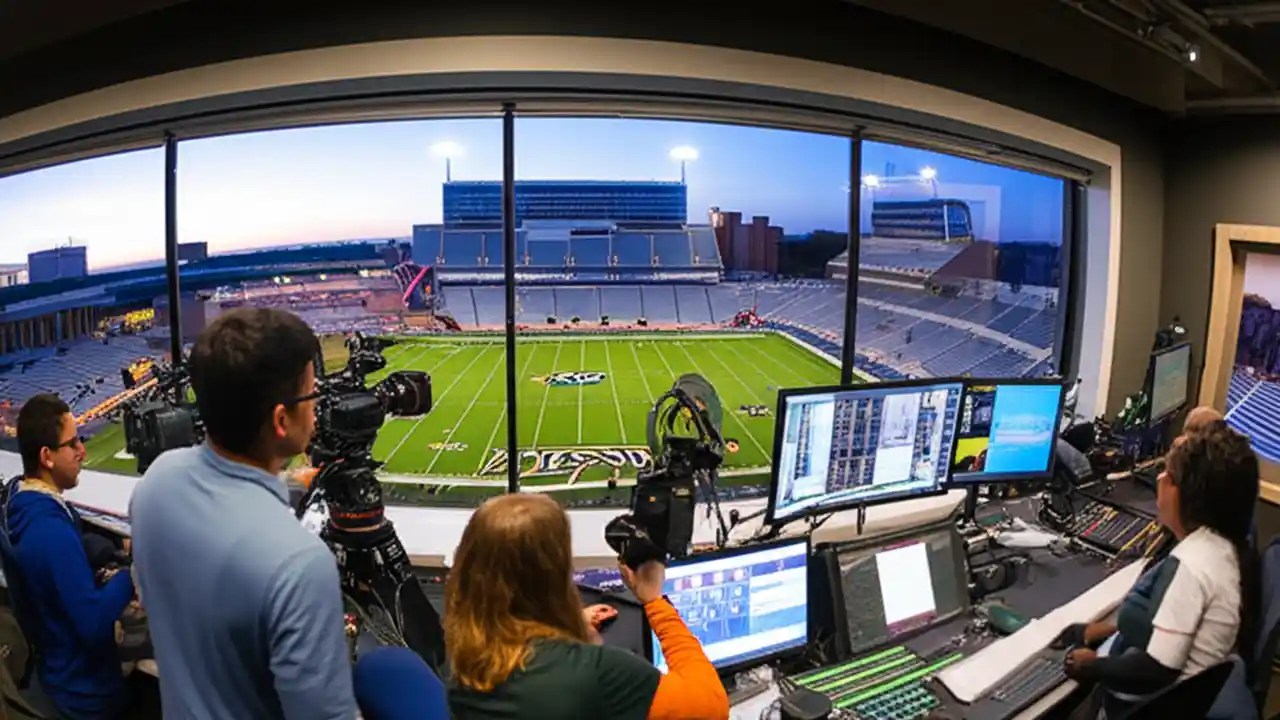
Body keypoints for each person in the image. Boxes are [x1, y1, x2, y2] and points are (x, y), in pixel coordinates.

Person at [129, 308, 356, 719]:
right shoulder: (299, 564)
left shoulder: (156, 484)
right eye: (310, 392)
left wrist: (287, 481)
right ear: (281, 420)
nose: (318, 398)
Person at [446, 493, 729, 720]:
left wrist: (561, 629)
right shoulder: (601, 672)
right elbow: (711, 704)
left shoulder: (463, 660)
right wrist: (654, 601)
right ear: (555, 575)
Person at [1060, 424, 1259, 718]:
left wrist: (1091, 665)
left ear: (1190, 496)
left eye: (1170, 473)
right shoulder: (1219, 549)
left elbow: (1157, 668)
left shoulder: (1192, 567)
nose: (1161, 477)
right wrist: (1098, 631)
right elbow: (1169, 623)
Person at [4, 394, 135, 719]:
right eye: (73, 443)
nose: (82, 452)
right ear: (47, 456)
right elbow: (92, 624)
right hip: (84, 694)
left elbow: (74, 539)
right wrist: (135, 573)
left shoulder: (23, 498)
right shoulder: (49, 532)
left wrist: (111, 551)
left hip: (55, 673)